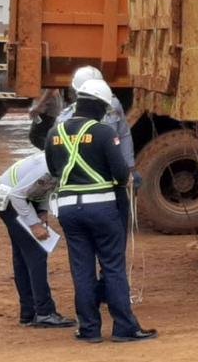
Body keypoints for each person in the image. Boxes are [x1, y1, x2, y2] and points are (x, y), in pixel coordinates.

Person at [45, 78, 156, 343]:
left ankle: (89, 329)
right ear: (98, 105)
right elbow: (120, 174)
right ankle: (124, 328)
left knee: (81, 269)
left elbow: (52, 171)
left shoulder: (54, 133)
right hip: (102, 208)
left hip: (69, 210)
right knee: (113, 266)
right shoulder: (104, 132)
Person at [0, 153, 76, 328]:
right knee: (36, 252)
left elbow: (45, 187)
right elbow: (18, 195)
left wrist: (42, 211)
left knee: (22, 256)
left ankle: (29, 312)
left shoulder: (59, 159)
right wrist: (34, 224)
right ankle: (44, 312)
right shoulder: (50, 164)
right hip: (11, 199)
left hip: (17, 197)